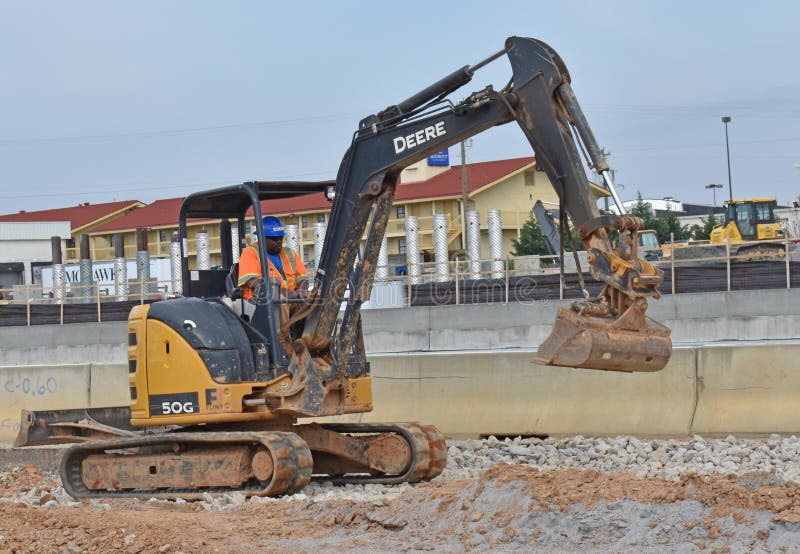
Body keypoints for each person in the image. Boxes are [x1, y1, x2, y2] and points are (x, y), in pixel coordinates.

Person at [237, 215, 308, 302]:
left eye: (281, 237)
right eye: (274, 238)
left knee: (316, 297)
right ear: (262, 237)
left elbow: (303, 277)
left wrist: (301, 290)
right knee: (280, 300)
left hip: (293, 298)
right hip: (263, 301)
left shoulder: (289, 253)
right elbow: (252, 281)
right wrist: (282, 292)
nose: (279, 241)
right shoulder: (250, 253)